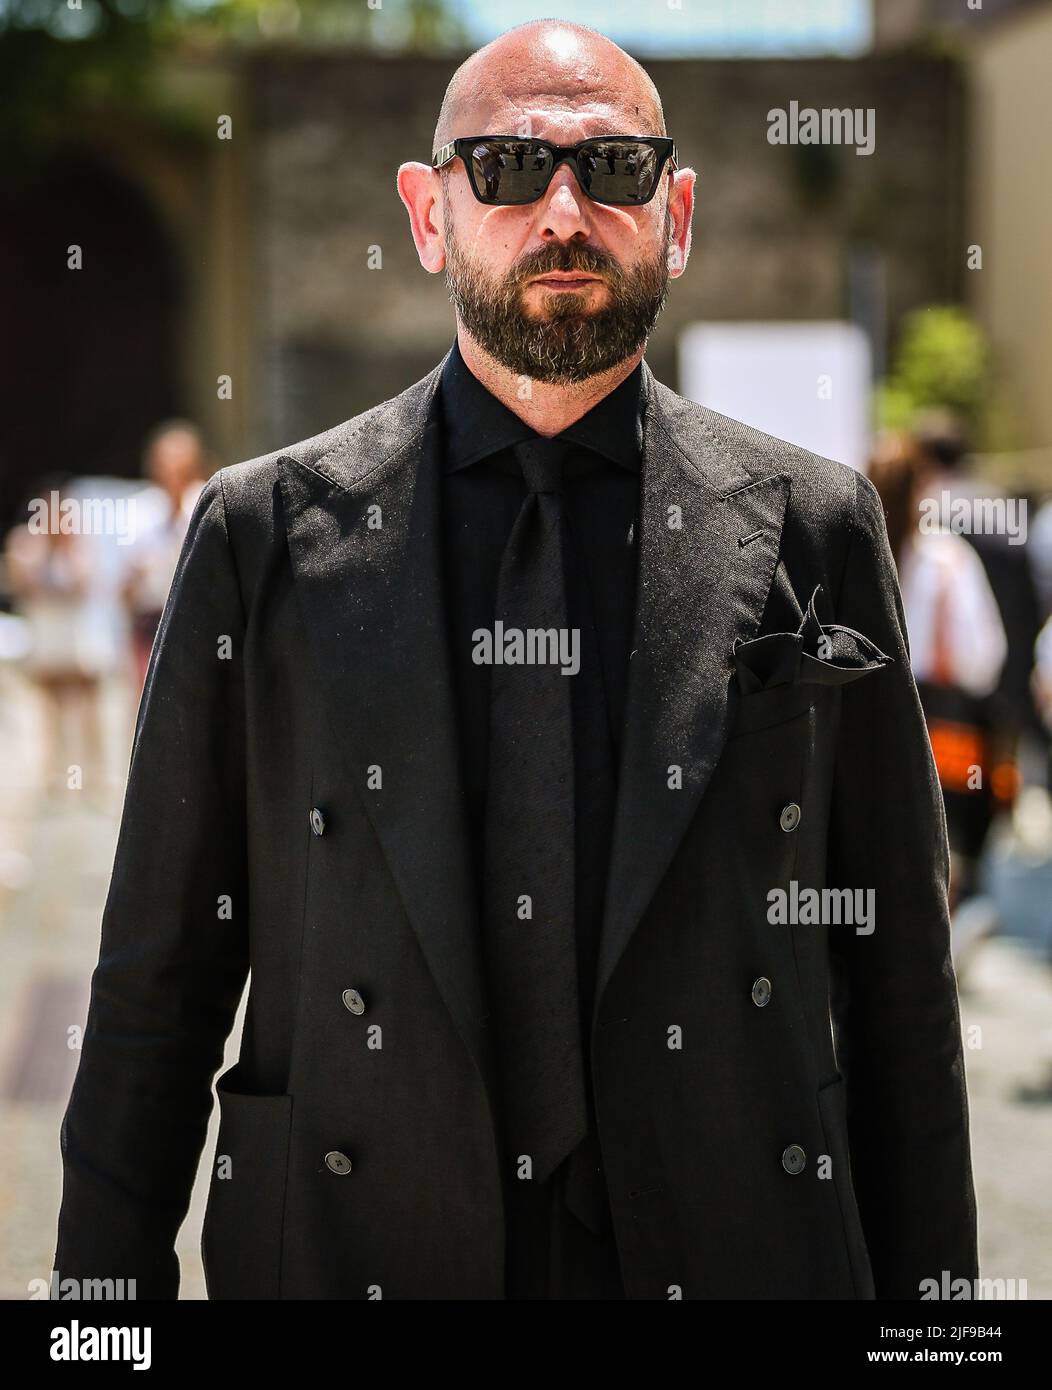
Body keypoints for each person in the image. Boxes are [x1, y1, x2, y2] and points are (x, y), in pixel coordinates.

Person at [54, 20, 978, 1300]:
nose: (560, 209)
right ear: (429, 216)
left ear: (676, 213)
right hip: (352, 1255)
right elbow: (157, 984)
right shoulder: (259, 535)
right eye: (502, 168)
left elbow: (897, 992)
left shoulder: (816, 524)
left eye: (612, 171)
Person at [121, 420, 208, 691]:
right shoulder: (140, 510)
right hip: (151, 619)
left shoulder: (207, 502)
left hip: (197, 615)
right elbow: (125, 582)